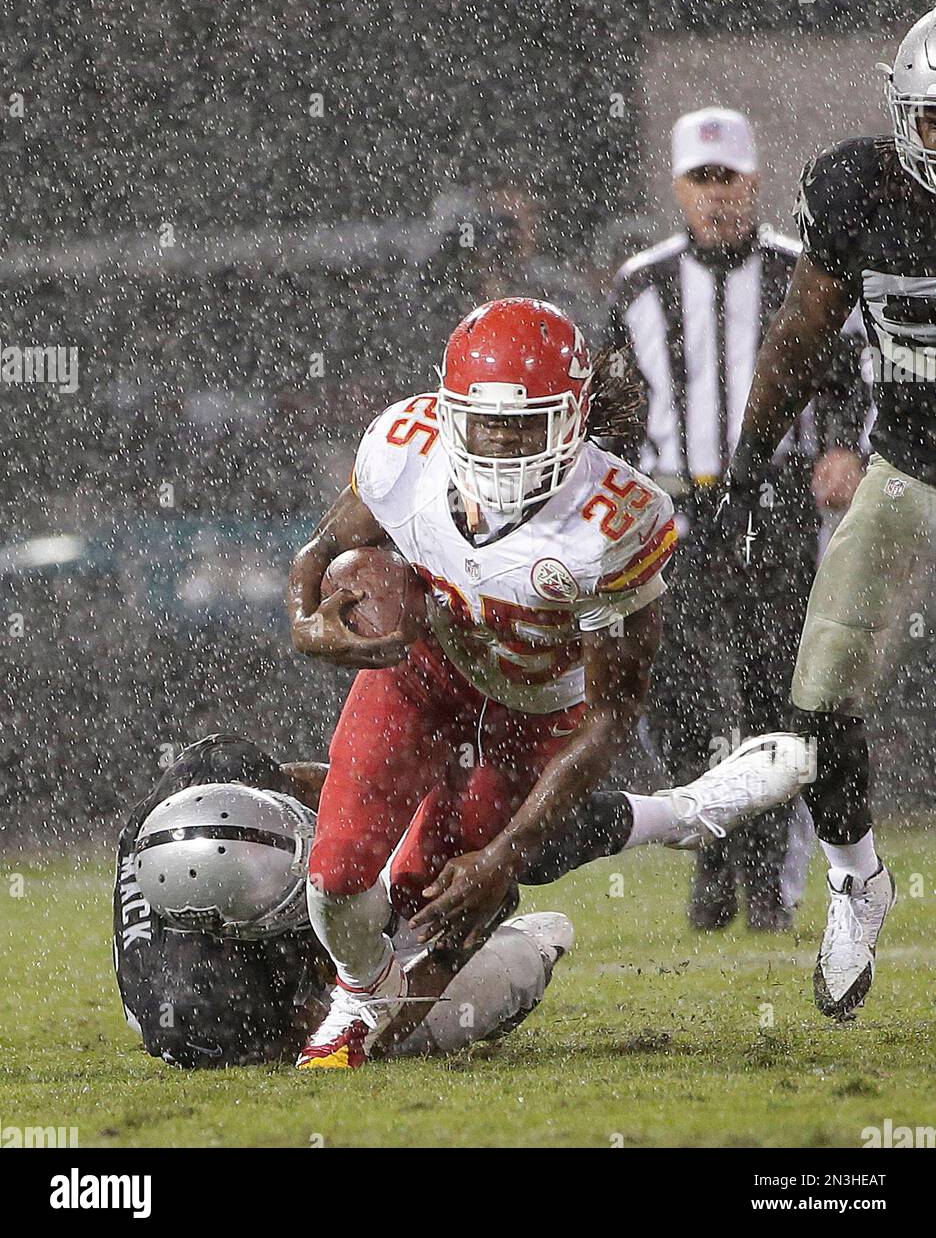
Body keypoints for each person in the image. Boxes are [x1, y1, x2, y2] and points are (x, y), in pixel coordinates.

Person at [287, 296, 813, 1068]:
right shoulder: (406, 451)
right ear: (446, 407)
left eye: (525, 424)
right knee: (334, 877)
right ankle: (362, 996)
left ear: (574, 417)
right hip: (425, 672)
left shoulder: (615, 522)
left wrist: (504, 854)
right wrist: (307, 624)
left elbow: (610, 717)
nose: (501, 445)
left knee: (435, 903)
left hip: (532, 713)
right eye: (485, 422)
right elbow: (319, 552)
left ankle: (684, 815)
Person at [719, 8, 936, 1018]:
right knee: (816, 707)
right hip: (910, 471)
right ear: (901, 119)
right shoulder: (858, 188)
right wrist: (745, 469)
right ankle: (858, 885)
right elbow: (802, 334)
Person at [605, 108, 866, 932]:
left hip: (771, 496)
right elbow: (610, 398)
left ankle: (762, 879)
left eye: (729, 177)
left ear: (754, 180)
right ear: (679, 187)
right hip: (672, 501)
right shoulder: (640, 282)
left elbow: (850, 372)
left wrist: (840, 449)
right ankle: (709, 845)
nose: (717, 195)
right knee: (670, 684)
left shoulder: (802, 269)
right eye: (701, 179)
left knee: (773, 682)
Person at [114, 734, 575, 1068]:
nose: (311, 859)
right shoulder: (201, 1006)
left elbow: (315, 782)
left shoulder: (216, 770)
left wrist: (407, 813)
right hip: (249, 1003)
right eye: (294, 893)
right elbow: (353, 1030)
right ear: (242, 928)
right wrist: (454, 947)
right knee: (519, 956)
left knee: (478, 826)